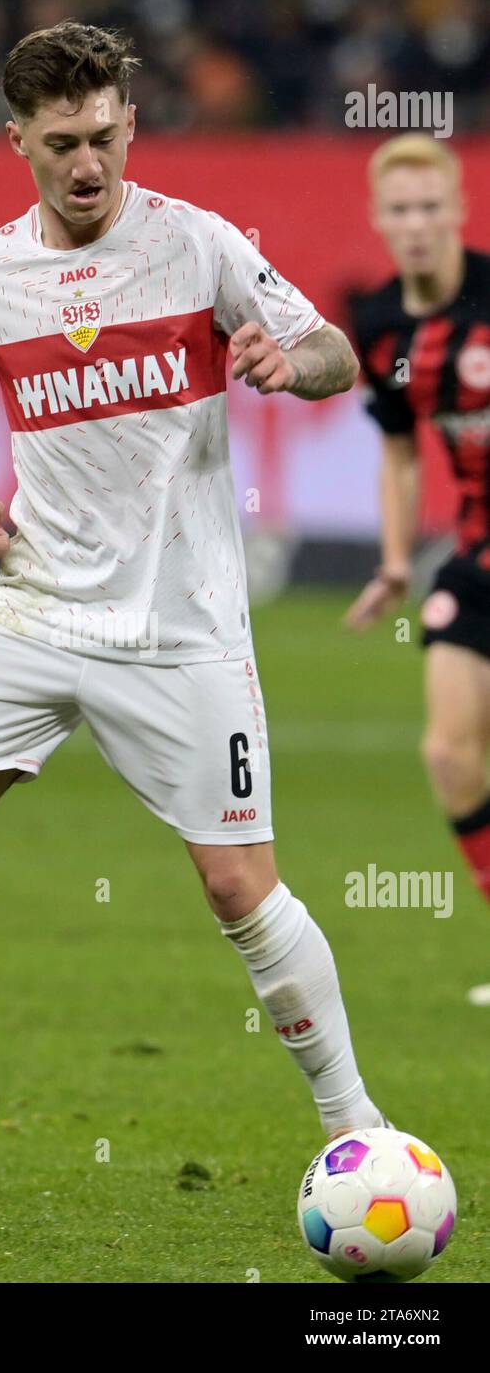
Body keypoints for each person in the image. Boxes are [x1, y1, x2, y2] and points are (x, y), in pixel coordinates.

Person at [0, 20, 390, 1207]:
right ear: (19, 143)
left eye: (102, 137)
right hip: (36, 606)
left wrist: (292, 367)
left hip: (180, 627)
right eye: (60, 145)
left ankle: (359, 1132)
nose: (86, 166)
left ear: (129, 125)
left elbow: (336, 350)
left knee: (240, 889)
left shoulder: (197, 246)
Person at [345, 135, 490, 1005]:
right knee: (448, 752)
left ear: (460, 210)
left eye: (431, 206)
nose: (418, 225)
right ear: (380, 222)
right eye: (400, 211)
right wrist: (397, 562)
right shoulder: (380, 325)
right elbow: (400, 451)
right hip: (474, 555)